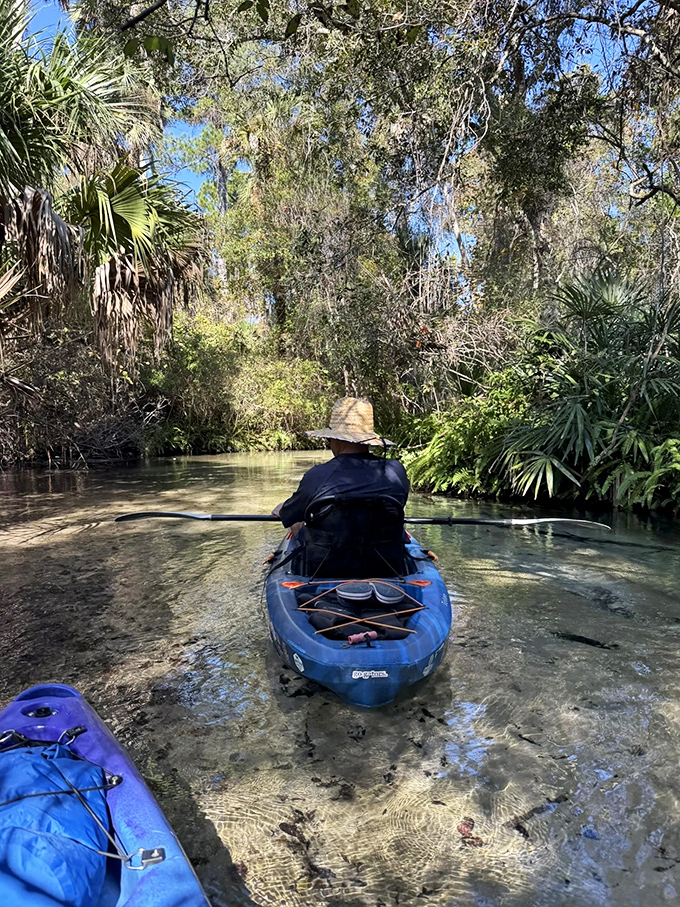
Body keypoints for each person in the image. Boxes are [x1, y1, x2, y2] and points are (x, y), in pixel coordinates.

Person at [272, 397, 409, 577]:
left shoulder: (318, 475)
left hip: (326, 567)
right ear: (369, 441)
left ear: (336, 440)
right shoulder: (395, 471)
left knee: (297, 520)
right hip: (384, 566)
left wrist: (283, 509)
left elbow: (290, 516)